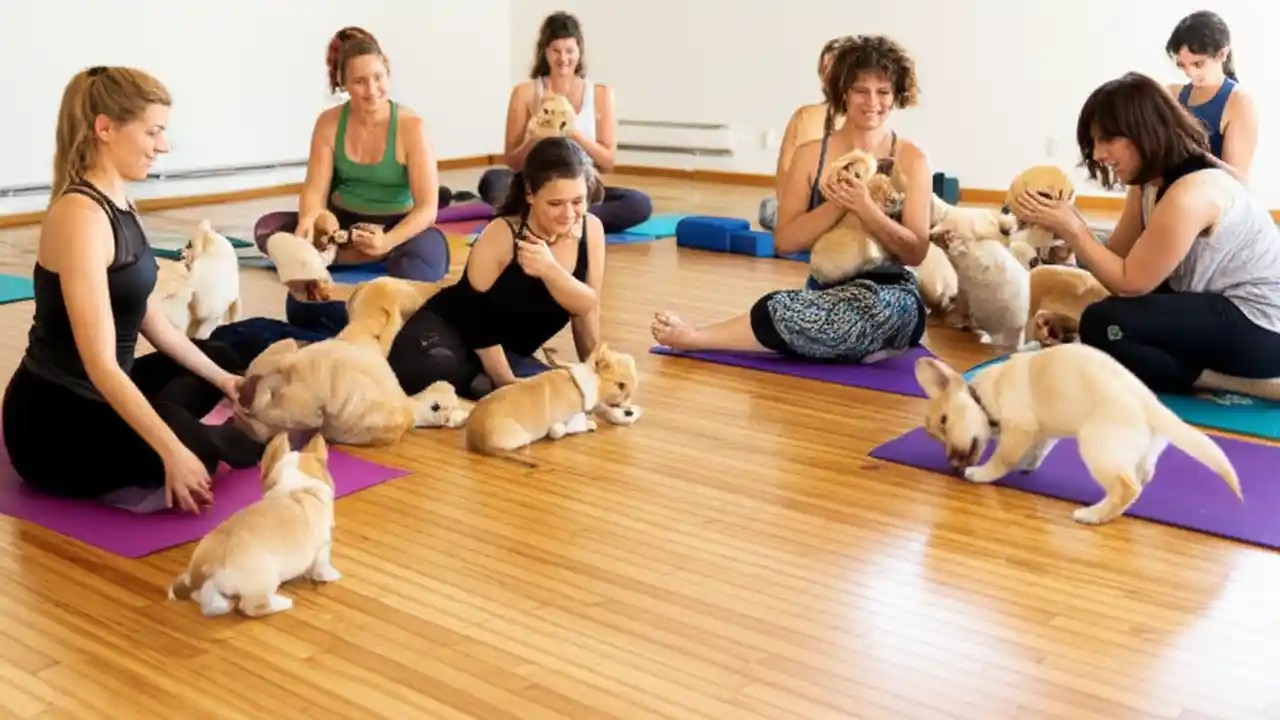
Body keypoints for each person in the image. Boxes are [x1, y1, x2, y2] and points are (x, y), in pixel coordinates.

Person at [0, 66, 265, 514]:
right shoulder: (80, 218)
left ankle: (172, 420)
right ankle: (187, 432)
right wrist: (172, 451)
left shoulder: (120, 201)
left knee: (220, 357)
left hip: (105, 393)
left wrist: (224, 381)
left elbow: (150, 318)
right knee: (189, 453)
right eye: (153, 132)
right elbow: (101, 365)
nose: (163, 146)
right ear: (105, 128)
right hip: (53, 420)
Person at [651, 35, 932, 363]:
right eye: (861, 91)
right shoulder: (810, 155)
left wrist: (867, 209)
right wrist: (839, 202)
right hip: (825, 293)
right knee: (780, 308)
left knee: (872, 310)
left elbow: (916, 252)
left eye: (883, 92)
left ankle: (848, 341)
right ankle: (697, 337)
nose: (873, 102)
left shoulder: (914, 159)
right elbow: (785, 242)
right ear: (843, 92)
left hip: (891, 295)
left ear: (896, 94)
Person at [1011, 71, 1280, 395]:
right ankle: (1090, 336)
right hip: (1212, 307)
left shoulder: (1192, 192)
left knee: (1103, 322)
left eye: (1107, 140)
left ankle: (1240, 382)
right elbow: (1118, 255)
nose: (1097, 154)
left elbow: (1130, 282)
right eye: (1094, 143)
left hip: (1262, 327)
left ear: (1143, 132)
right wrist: (1066, 229)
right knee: (1105, 324)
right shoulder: (1150, 183)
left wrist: (1074, 230)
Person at [381, 136, 606, 399]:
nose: (569, 214)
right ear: (530, 193)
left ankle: (484, 386)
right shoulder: (502, 233)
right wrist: (504, 381)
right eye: (556, 203)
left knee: (562, 393)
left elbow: (586, 308)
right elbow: (474, 316)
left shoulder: (591, 230)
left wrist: (597, 376)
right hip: (453, 333)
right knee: (431, 369)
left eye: (577, 201)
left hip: (510, 354)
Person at [253, 27, 450, 285]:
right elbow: (314, 191)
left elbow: (426, 209)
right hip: (342, 227)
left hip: (395, 228)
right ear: (343, 83)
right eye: (359, 81)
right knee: (268, 228)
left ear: (387, 73)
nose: (372, 90)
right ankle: (349, 254)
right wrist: (312, 219)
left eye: (378, 77)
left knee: (419, 265)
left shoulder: (412, 127)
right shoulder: (329, 123)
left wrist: (386, 242)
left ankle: (352, 256)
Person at [475, 11, 653, 235]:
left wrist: (572, 132)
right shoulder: (525, 93)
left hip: (580, 189)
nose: (563, 59)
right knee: (493, 181)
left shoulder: (600, 94)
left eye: (569, 51)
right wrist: (536, 136)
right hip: (537, 186)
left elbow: (608, 162)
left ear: (579, 51)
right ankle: (561, 217)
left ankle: (555, 217)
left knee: (639, 204)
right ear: (544, 52)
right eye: (556, 51)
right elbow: (512, 161)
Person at [758, 35, 851, 230]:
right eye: (824, 69)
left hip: (844, 208)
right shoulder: (806, 116)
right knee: (769, 207)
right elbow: (785, 177)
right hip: (809, 209)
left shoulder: (866, 120)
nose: (828, 75)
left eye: (834, 67)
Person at [1164, 10, 1258, 183]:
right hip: (1171, 191)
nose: (1190, 73)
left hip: (1212, 195)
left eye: (1198, 64)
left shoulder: (1238, 101)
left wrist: (1197, 155)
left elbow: (1238, 181)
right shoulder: (1172, 94)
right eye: (1182, 65)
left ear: (1222, 54)